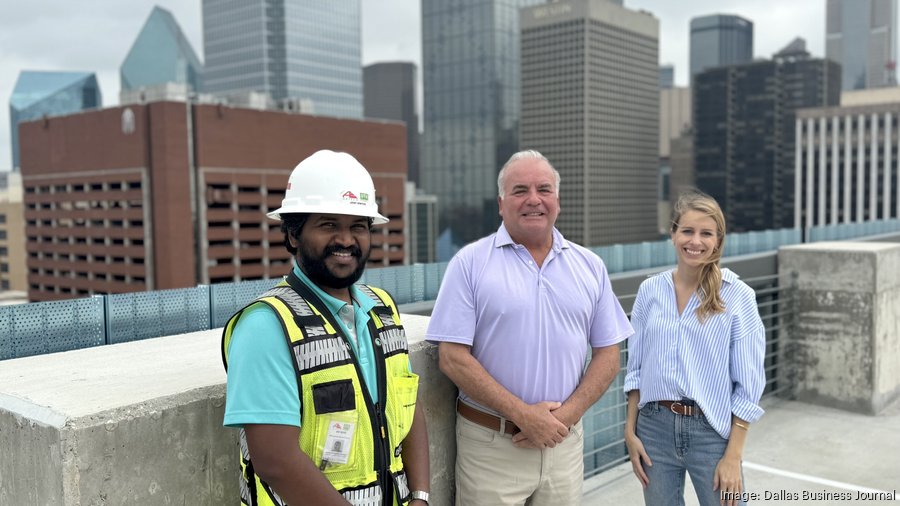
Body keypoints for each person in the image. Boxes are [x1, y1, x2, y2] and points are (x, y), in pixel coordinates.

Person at [221, 150, 430, 506]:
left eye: (358, 226)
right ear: (293, 235)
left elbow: (408, 407)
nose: (346, 240)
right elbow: (275, 460)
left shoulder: (382, 309)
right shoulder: (266, 326)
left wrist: (420, 496)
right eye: (329, 225)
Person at [426, 150, 633, 505]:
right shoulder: (469, 264)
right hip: (491, 449)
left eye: (544, 189)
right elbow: (452, 358)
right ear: (501, 203)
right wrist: (523, 415)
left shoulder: (590, 266)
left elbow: (609, 355)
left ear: (558, 201)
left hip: (564, 446)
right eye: (520, 190)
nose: (534, 199)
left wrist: (564, 418)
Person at [623, 190, 766, 506]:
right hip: (653, 430)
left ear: (718, 240)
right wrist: (630, 432)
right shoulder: (649, 291)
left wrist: (733, 456)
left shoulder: (738, 296)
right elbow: (636, 370)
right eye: (687, 231)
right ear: (673, 234)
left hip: (711, 432)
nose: (695, 241)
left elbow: (749, 385)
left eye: (706, 233)